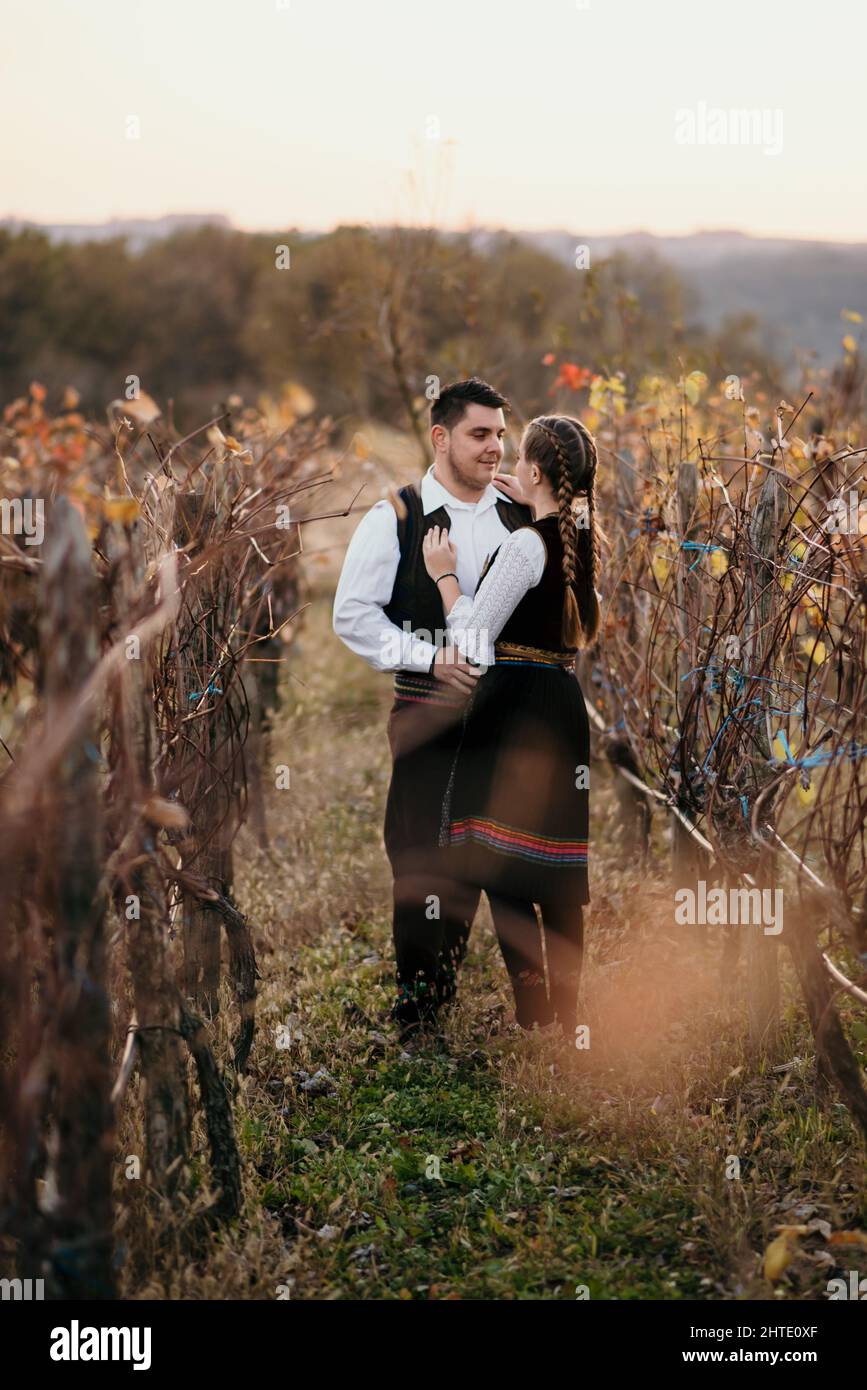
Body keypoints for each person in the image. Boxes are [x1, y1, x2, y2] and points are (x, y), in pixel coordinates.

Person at [332, 379, 533, 1039]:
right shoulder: (395, 516)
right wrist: (427, 658)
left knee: (499, 855)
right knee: (420, 857)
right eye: (480, 434)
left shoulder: (515, 515)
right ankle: (420, 1015)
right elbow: (352, 616)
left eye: (501, 435)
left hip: (505, 719)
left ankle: (537, 1015)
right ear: (441, 437)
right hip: (426, 713)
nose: (495, 448)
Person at [421, 414, 600, 1038]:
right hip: (561, 704)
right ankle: (570, 1017)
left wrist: (445, 575)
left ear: (534, 471)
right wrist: (536, 498)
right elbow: (562, 524)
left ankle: (533, 1010)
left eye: (517, 458)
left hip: (514, 705)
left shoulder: (527, 545)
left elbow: (473, 636)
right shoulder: (579, 537)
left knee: (500, 859)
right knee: (554, 864)